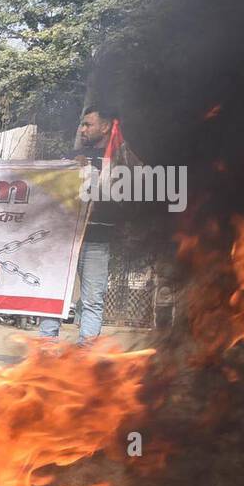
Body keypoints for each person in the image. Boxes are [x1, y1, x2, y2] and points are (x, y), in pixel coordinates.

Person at [39, 104, 142, 342]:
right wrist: (72, 170)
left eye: (88, 124)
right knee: (53, 292)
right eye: (82, 124)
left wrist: (94, 173)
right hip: (64, 239)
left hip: (97, 239)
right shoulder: (68, 157)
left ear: (105, 127)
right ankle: (46, 343)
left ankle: (87, 348)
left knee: (93, 298)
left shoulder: (120, 158)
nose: (82, 129)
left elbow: (134, 186)